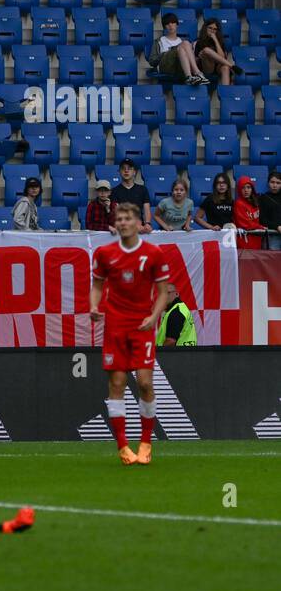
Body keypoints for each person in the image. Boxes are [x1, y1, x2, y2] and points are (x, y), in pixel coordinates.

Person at [89, 202, 171, 465]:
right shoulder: (105, 253)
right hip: (115, 325)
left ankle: (146, 441)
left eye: (127, 218)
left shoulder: (154, 253)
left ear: (138, 223)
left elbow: (162, 293)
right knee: (116, 384)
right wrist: (93, 306)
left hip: (142, 324)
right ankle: (123, 446)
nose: (123, 222)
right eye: (119, 218)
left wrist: (154, 316)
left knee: (145, 383)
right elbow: (97, 286)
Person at [148, 13, 210, 85]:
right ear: (164, 27)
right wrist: (166, 53)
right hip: (165, 67)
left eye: (173, 23)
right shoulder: (159, 41)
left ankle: (189, 77)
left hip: (179, 68)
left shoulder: (181, 42)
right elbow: (152, 61)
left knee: (185, 45)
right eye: (167, 24)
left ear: (177, 25)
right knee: (185, 44)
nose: (170, 25)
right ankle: (198, 73)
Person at [110, 157, 153, 231]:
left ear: (134, 172)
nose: (126, 171)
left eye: (129, 168)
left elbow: (146, 209)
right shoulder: (114, 191)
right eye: (123, 168)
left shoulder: (143, 189)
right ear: (119, 172)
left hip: (140, 228)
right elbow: (116, 212)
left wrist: (147, 223)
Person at [192, 17, 237, 86]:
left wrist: (215, 40)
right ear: (205, 28)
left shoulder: (220, 42)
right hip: (207, 68)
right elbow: (194, 61)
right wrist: (199, 57)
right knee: (206, 50)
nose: (212, 31)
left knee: (225, 67)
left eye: (215, 29)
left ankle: (226, 92)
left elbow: (222, 58)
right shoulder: (199, 42)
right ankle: (232, 66)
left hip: (218, 68)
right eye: (210, 28)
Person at [233, 176, 264, 250]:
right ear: (239, 189)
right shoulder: (238, 203)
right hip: (244, 239)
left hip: (256, 238)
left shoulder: (255, 203)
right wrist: (260, 227)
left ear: (252, 189)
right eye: (243, 188)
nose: (246, 190)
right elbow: (244, 224)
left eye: (248, 187)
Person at [259, 171, 281, 251]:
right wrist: (277, 227)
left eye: (278, 183)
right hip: (272, 235)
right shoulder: (263, 198)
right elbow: (262, 219)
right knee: (274, 261)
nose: (275, 185)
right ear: (268, 183)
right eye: (272, 182)